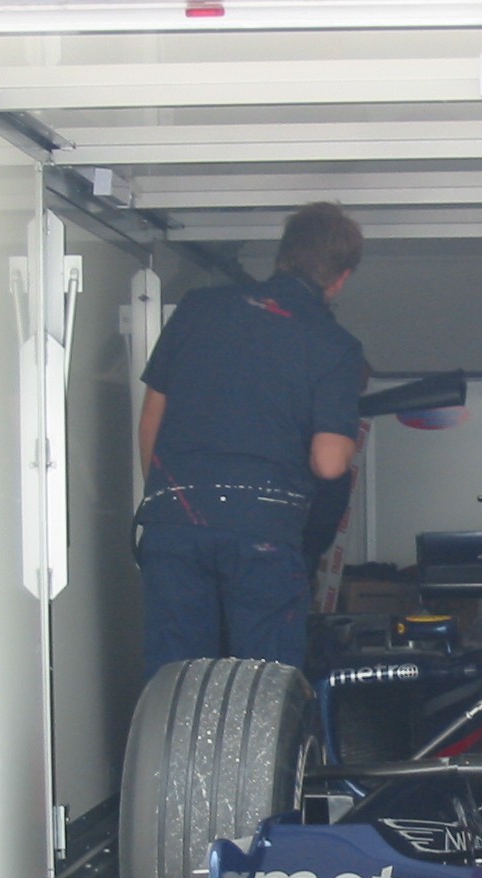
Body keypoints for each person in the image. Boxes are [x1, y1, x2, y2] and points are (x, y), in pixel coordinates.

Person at [136, 201, 366, 679]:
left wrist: (172, 499)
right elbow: (328, 463)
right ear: (341, 278)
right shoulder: (334, 345)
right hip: (263, 528)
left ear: (283, 256)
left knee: (176, 680)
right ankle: (260, 758)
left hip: (174, 520)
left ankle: (175, 755)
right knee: (264, 684)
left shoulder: (199, 309)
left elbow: (151, 418)